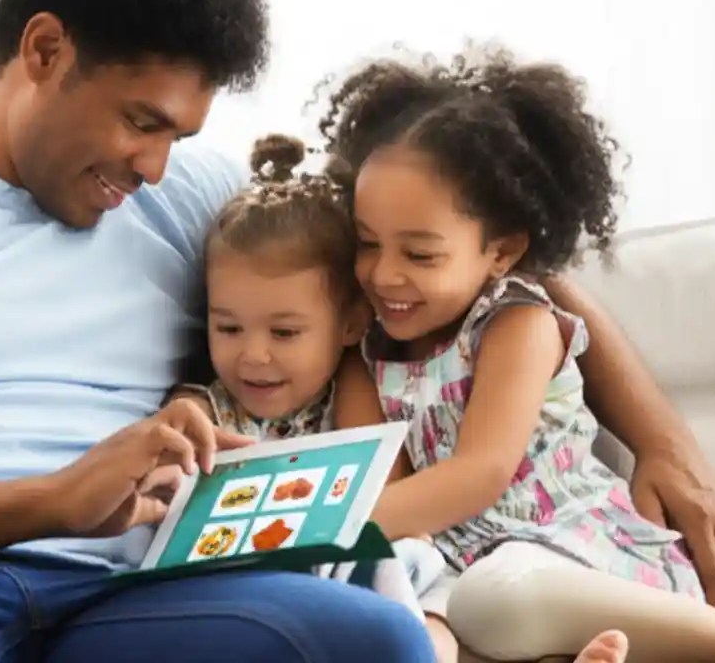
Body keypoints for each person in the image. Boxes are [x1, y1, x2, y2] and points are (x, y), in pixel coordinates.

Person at [0, 0, 715, 661]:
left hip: (129, 600)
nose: (159, 164)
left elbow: (481, 249)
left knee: (383, 643)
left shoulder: (188, 202)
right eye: (141, 121)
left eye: (180, 132)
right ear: (42, 52)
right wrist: (46, 499)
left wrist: (656, 438)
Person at [318, 40, 715, 663]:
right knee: (417, 624)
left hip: (568, 558)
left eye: (420, 254)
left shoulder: (516, 322)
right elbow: (378, 478)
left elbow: (480, 474)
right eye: (367, 243)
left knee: (494, 598)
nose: (382, 274)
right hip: (457, 568)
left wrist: (319, 531)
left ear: (502, 251)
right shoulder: (365, 351)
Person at [189, 133, 632, 663]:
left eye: (283, 334)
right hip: (277, 576)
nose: (253, 356)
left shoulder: (366, 370)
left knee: (435, 605)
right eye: (228, 328)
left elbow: (396, 479)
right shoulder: (210, 406)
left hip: (460, 555)